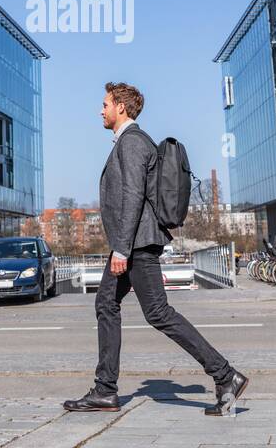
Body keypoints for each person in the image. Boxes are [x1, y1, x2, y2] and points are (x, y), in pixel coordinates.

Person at [62, 82, 248, 416]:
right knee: (106, 302)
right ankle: (105, 390)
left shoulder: (132, 143)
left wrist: (121, 249)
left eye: (104, 104)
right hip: (133, 242)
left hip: (137, 243)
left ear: (121, 107)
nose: (100, 110)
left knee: (158, 313)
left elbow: (133, 196)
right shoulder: (130, 142)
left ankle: (225, 375)